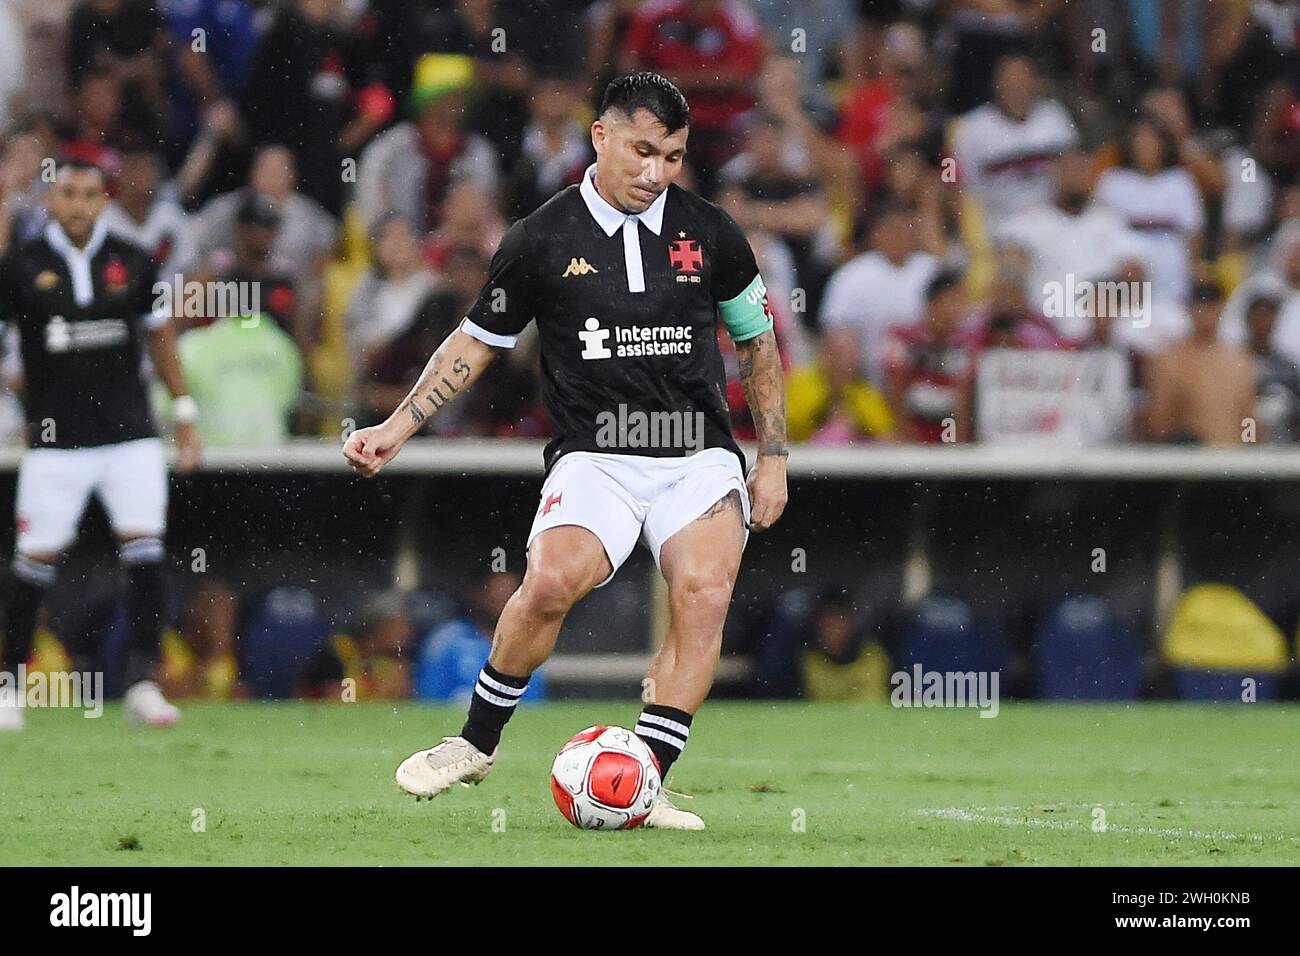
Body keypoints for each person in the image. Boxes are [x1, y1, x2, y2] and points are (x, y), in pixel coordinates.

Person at [343, 72, 788, 830]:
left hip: (698, 454)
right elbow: (473, 346)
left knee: (704, 595)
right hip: (597, 454)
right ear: (601, 137)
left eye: (673, 157)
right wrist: (398, 427)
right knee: (549, 582)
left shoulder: (711, 231)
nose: (656, 172)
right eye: (642, 150)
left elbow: (757, 341)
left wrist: (772, 455)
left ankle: (643, 779)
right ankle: (475, 745)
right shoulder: (540, 240)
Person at [0, 159, 201, 731]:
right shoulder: (20, 266)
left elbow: (160, 339)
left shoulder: (134, 262)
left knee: (144, 551)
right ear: (51, 201)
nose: (80, 204)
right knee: (33, 559)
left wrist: (184, 415)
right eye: (68, 193)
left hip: (129, 436)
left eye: (90, 194)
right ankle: (8, 685)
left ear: (103, 201)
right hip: (54, 442)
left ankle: (142, 684)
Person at [1147, 280, 1257, 446]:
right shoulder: (1171, 360)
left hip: (1234, 461)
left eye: (1211, 306)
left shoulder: (1239, 360)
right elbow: (1159, 423)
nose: (1206, 314)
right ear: (1189, 310)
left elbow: (1249, 418)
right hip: (1189, 462)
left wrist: (1253, 454)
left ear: (1221, 308)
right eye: (1201, 306)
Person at [414, 571, 547, 704]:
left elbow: (533, 702)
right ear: (479, 596)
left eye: (509, 597)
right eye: (497, 596)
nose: (502, 605)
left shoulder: (526, 644)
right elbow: (430, 699)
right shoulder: (448, 640)